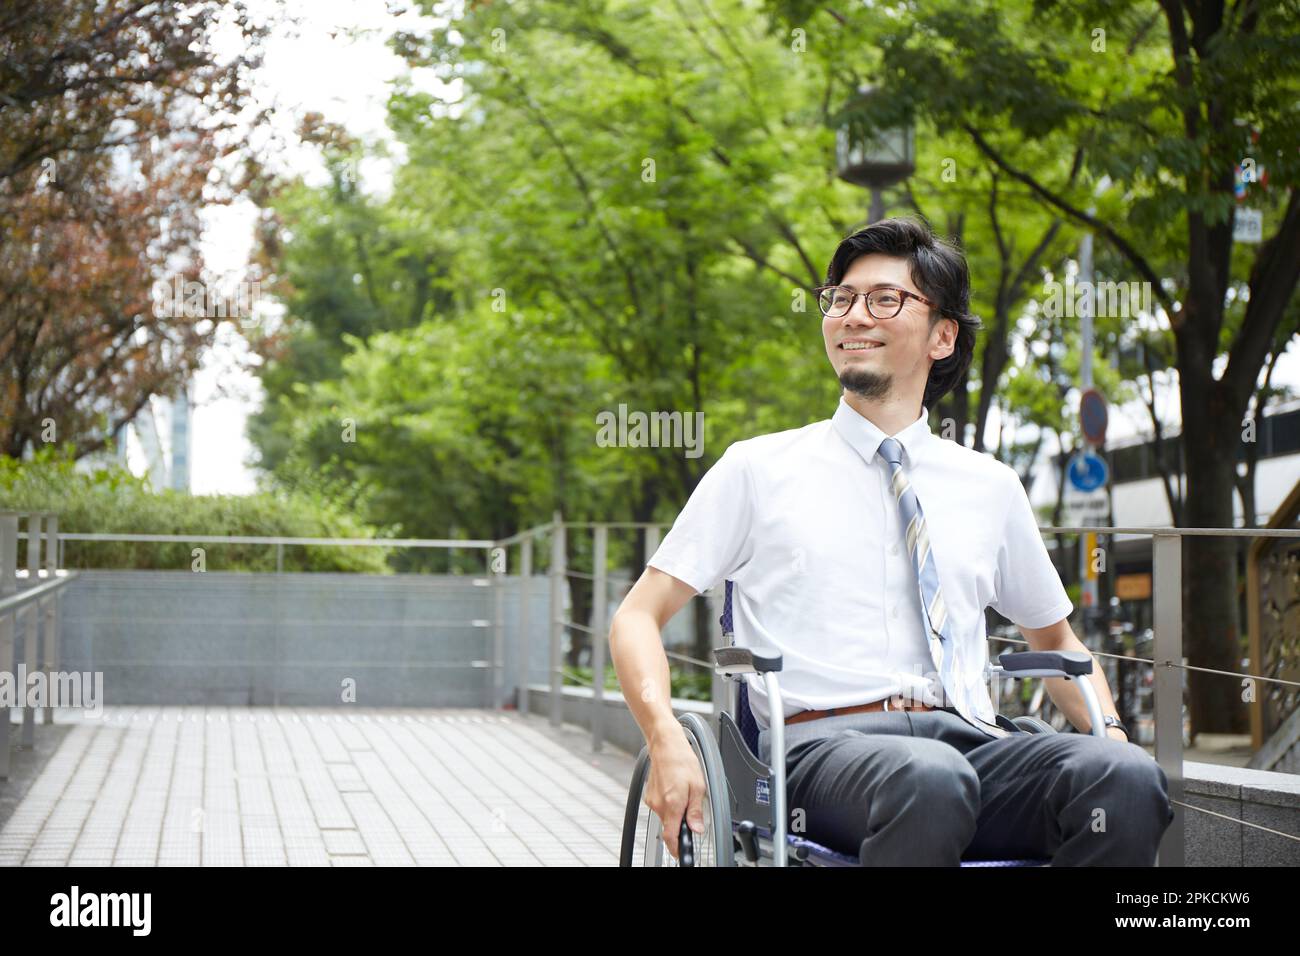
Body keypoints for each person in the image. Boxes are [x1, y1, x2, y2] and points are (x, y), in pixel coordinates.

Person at [607, 216, 1175, 866]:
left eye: (884, 299)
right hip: (819, 754)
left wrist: (1113, 733)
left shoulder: (989, 486)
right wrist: (664, 738)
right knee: (928, 778)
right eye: (841, 299)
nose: (852, 315)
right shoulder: (758, 470)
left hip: (972, 743)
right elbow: (636, 617)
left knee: (1126, 780)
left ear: (942, 335)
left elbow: (1057, 643)